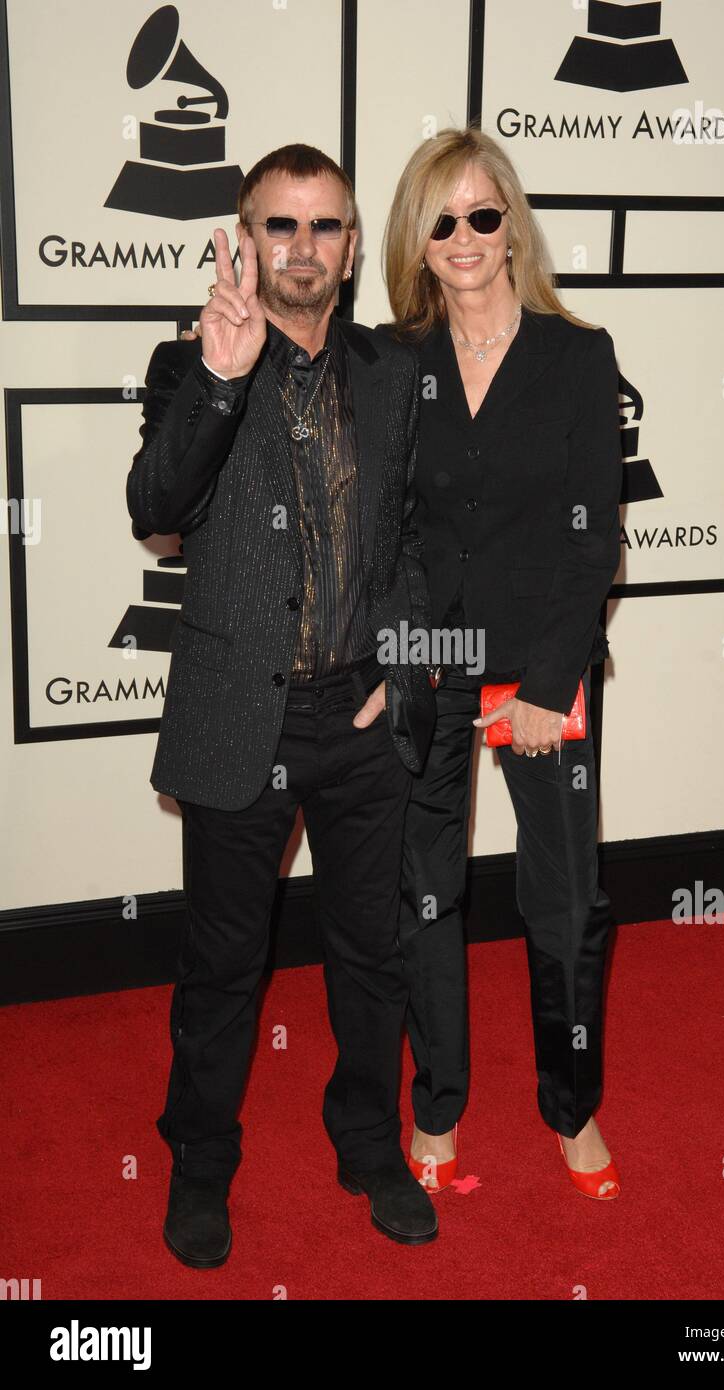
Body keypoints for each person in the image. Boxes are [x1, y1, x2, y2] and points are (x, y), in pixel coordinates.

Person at [126, 143, 438, 1266]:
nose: (302, 248)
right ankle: (200, 1164)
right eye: (279, 225)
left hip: (357, 716)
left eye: (324, 227)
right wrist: (218, 380)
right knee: (221, 962)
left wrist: (405, 663)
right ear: (245, 237)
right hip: (237, 714)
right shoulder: (189, 358)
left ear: (352, 247)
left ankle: (367, 1144)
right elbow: (153, 505)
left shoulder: (401, 373)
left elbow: (413, 539)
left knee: (370, 949)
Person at [380, 128, 623, 1199]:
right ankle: (437, 1102)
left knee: (563, 897)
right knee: (427, 892)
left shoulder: (576, 356)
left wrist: (546, 682)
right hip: (431, 658)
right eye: (442, 218)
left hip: (541, 661)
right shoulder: (393, 363)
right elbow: (381, 531)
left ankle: (571, 1106)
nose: (464, 236)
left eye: (483, 213)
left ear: (510, 224)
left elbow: (592, 538)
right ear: (417, 240)